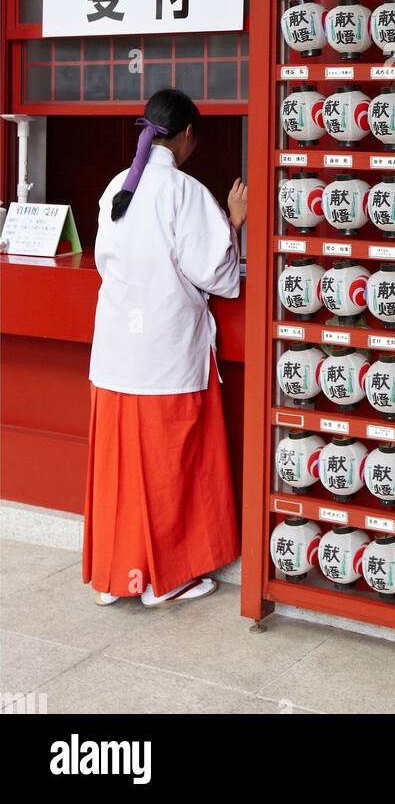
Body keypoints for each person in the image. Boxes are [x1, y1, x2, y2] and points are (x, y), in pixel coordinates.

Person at [83, 88, 247, 607]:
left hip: (114, 351)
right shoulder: (185, 191)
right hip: (165, 351)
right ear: (188, 135)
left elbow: (107, 263)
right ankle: (164, 578)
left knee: (120, 470)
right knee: (167, 466)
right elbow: (218, 275)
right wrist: (235, 224)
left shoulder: (116, 187)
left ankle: (117, 576)